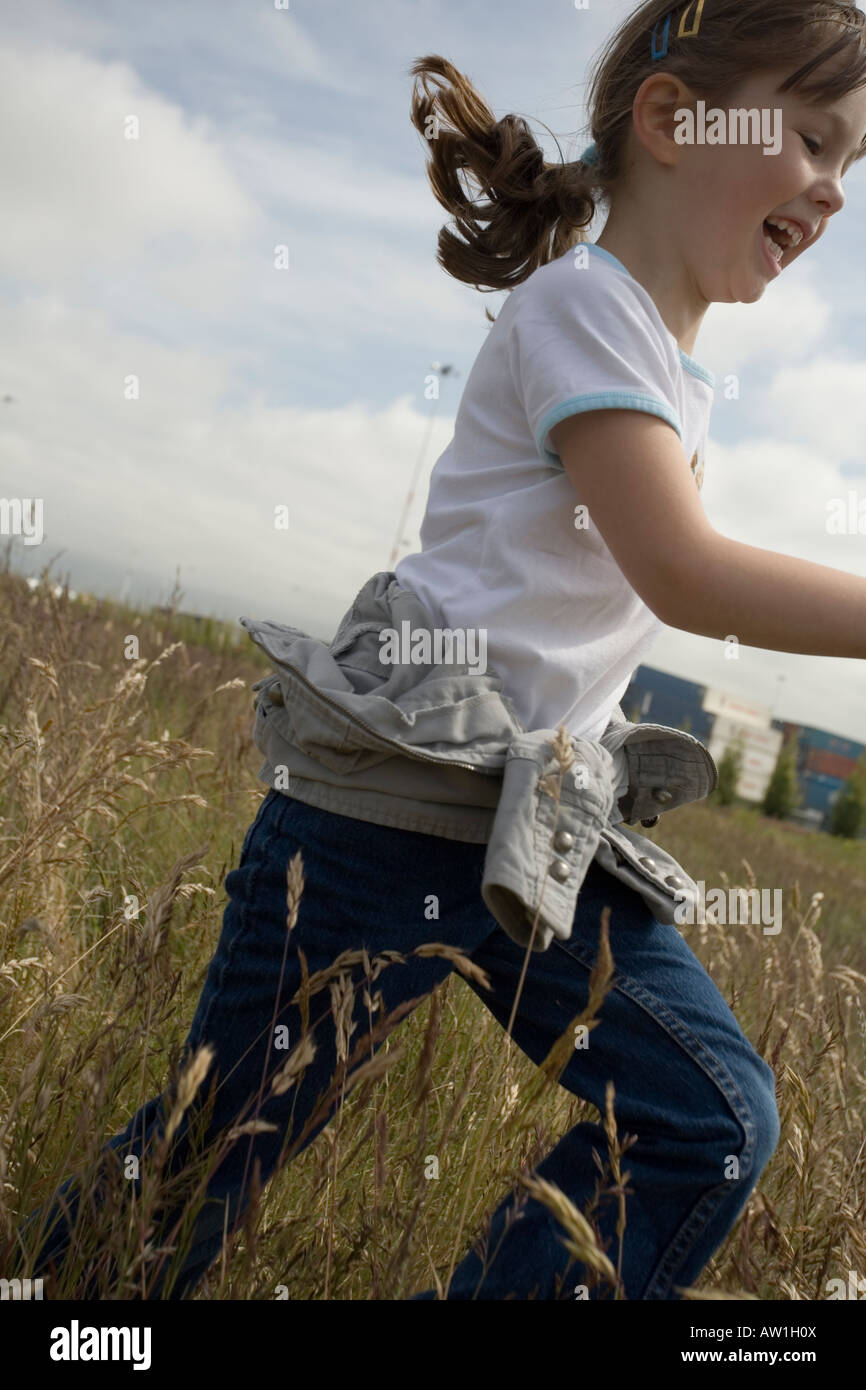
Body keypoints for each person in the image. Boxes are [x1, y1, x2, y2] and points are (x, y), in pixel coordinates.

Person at [18, 0, 866, 1300]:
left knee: (708, 1122)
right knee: (208, 1160)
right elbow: (682, 569)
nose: (833, 190)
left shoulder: (667, 365)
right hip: (376, 810)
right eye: (812, 140)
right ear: (671, 120)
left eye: (851, 167)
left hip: (529, 828)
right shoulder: (585, 307)